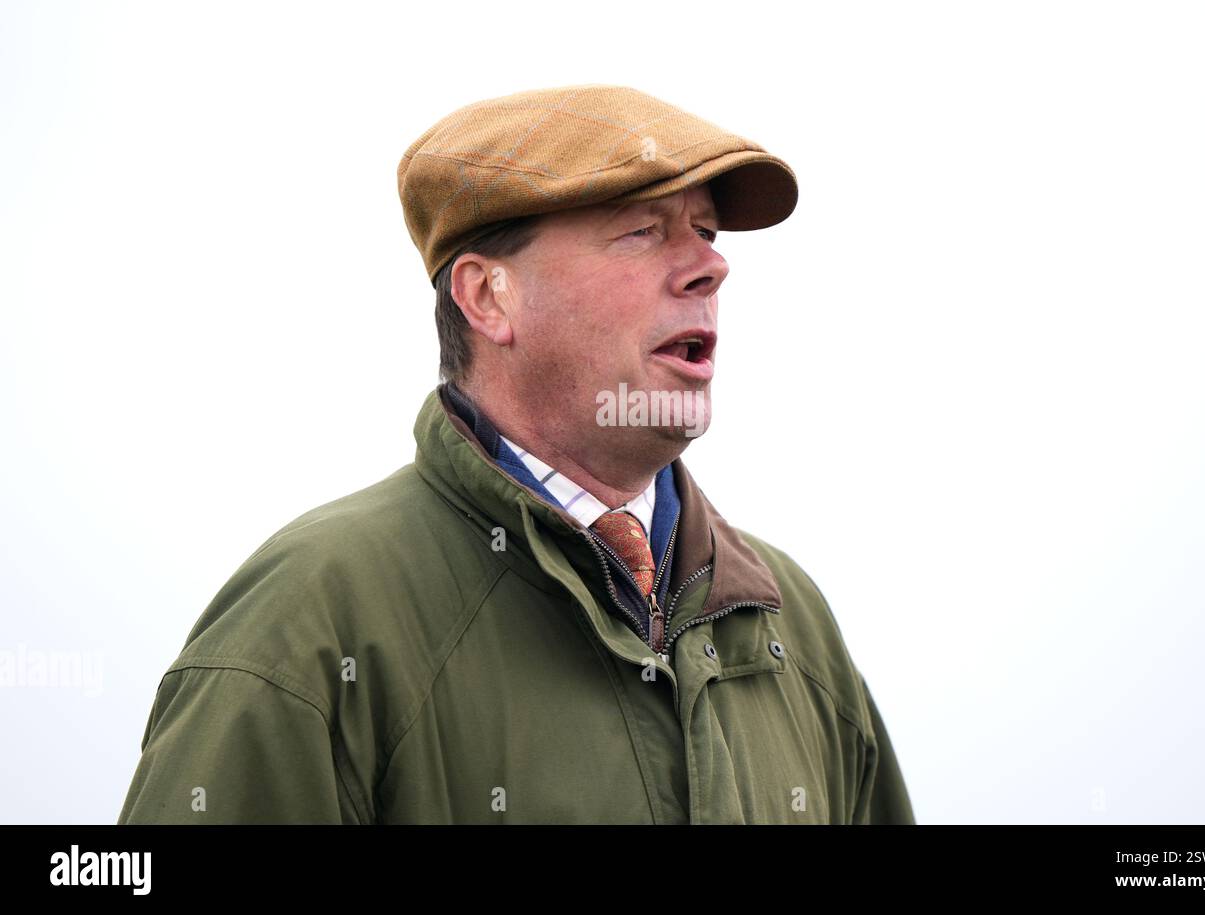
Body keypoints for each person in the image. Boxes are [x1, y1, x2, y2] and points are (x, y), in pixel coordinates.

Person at [116, 84, 915, 824]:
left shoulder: (791, 623)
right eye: (643, 231)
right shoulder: (312, 619)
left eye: (704, 230)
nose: (712, 264)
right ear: (488, 296)